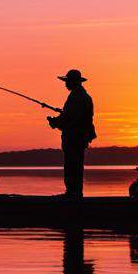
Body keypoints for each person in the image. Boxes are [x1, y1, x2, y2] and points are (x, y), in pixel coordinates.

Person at [47, 69, 96, 197]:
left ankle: (72, 192)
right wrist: (59, 119)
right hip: (80, 136)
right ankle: (75, 192)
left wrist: (55, 122)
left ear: (74, 82)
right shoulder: (82, 96)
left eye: (67, 81)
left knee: (72, 164)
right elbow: (72, 115)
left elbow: (70, 117)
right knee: (76, 164)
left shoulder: (77, 97)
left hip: (75, 136)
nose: (65, 84)